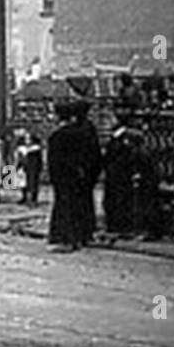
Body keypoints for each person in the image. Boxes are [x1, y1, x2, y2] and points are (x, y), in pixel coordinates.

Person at [47, 100, 101, 252]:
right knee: (81, 204)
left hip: (64, 177)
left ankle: (66, 238)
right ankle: (82, 235)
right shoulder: (87, 130)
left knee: (65, 206)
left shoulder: (59, 136)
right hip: (81, 175)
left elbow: (55, 162)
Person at [102, 114, 139, 235]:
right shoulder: (119, 138)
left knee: (117, 201)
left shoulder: (121, 139)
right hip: (117, 174)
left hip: (118, 175)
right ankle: (117, 226)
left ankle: (118, 226)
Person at [16, 131, 44, 206]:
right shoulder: (21, 148)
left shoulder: (36, 149)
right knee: (23, 183)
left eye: (29, 138)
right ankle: (24, 197)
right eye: (26, 138)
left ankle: (33, 199)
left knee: (33, 183)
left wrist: (40, 168)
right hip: (23, 167)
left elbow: (39, 160)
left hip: (33, 168)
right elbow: (19, 158)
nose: (27, 141)